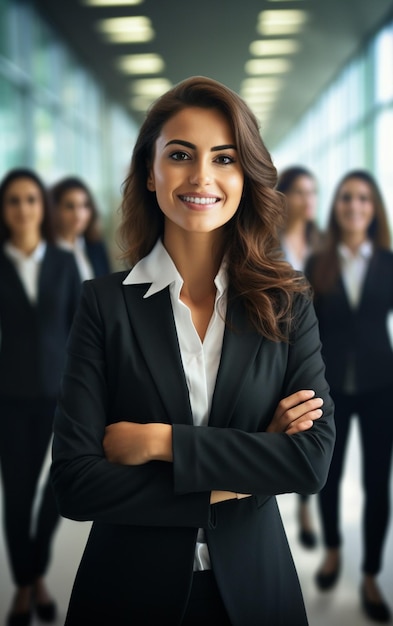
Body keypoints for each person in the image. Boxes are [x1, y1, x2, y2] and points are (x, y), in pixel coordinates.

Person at [51, 76, 335, 626]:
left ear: (246, 177)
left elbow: (309, 461)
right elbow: (76, 485)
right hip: (126, 594)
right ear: (150, 175)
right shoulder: (104, 305)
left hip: (257, 593)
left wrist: (161, 443)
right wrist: (248, 470)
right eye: (180, 155)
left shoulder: (287, 302)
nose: (202, 176)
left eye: (224, 158)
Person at [306, 170, 393, 623]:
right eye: (346, 199)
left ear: (374, 207)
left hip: (382, 387)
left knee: (378, 483)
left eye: (362, 198)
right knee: (329, 476)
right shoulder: (318, 264)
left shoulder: (388, 262)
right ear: (336, 208)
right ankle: (334, 551)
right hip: (331, 388)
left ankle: (372, 575)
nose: (354, 206)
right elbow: (303, 333)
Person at [0, 168, 81, 626]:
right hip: (9, 399)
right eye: (14, 200)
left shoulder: (64, 263)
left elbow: (79, 334)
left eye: (31, 199)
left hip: (62, 397)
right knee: (16, 495)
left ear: (42, 207)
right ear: (4, 210)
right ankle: (27, 585)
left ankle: (34, 573)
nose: (24, 208)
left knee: (57, 489)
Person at [276, 165, 322, 549]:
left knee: (317, 426)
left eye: (313, 193)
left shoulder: (324, 244)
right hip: (283, 348)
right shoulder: (267, 243)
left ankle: (309, 506)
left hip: (327, 350)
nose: (308, 200)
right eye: (300, 192)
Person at [50, 176, 111, 281]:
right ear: (55, 209)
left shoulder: (96, 246)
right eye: (70, 206)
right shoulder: (46, 251)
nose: (78, 215)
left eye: (84, 206)